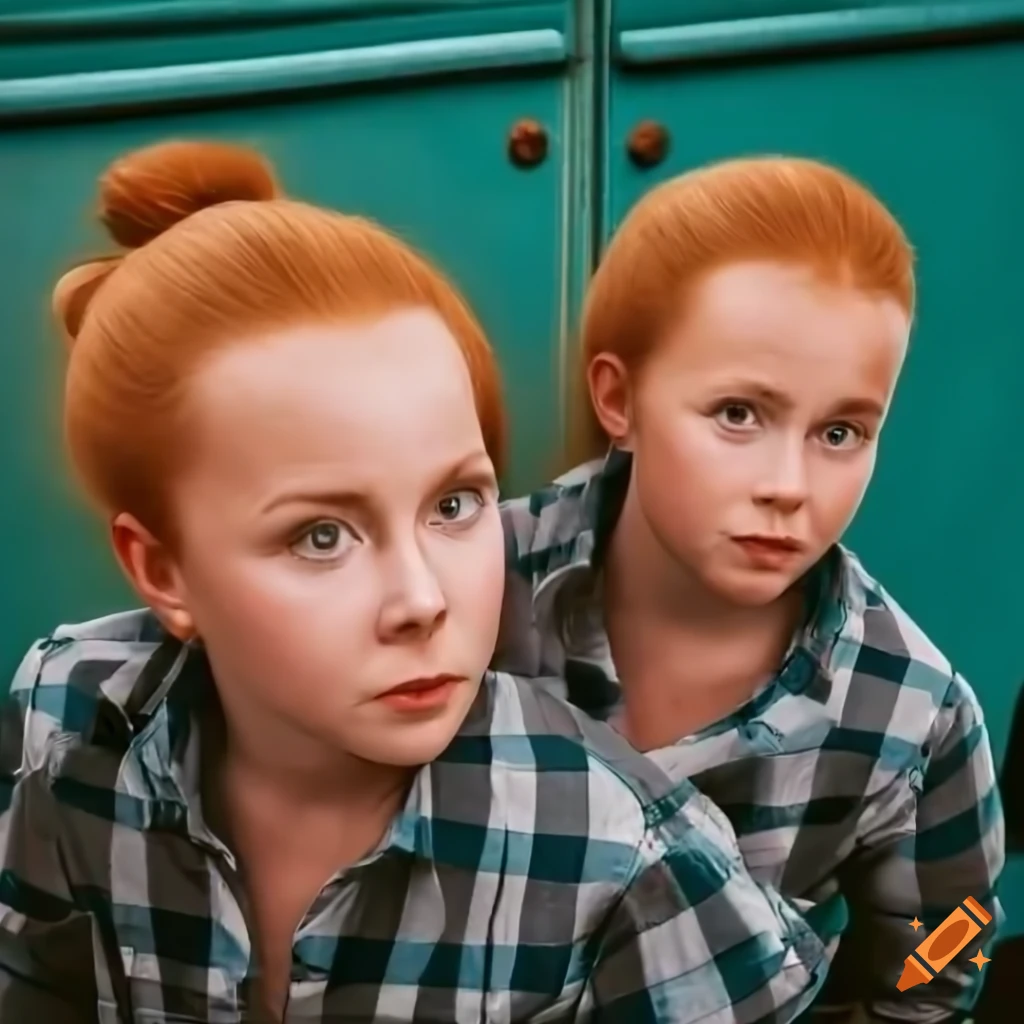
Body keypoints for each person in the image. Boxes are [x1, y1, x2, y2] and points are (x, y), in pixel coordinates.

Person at [0, 141, 830, 1024]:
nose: (424, 600)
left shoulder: (625, 854)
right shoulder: (67, 723)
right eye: (322, 536)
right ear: (163, 572)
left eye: (454, 504)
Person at [495, 157, 1004, 1021]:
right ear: (620, 399)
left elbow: (936, 965)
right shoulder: (470, 585)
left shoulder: (918, 721)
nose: (789, 484)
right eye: (738, 414)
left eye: (841, 431)